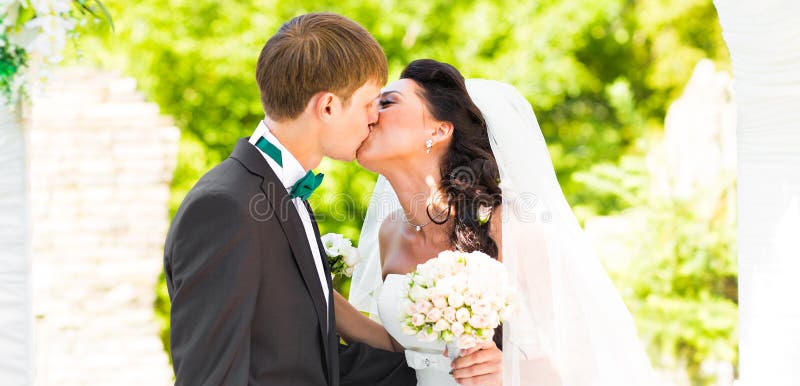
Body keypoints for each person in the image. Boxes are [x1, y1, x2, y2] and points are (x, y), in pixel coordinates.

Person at [343, 59, 658, 385]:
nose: (370, 114)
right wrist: (315, 288)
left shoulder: (510, 227)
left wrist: (509, 372)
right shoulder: (392, 232)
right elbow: (402, 348)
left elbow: (584, 360)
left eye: (387, 102)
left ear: (438, 129)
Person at [163, 13, 415, 386]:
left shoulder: (280, 192)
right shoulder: (224, 207)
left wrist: (441, 370)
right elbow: (210, 377)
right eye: (368, 104)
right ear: (327, 107)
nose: (373, 119)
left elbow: (312, 361)